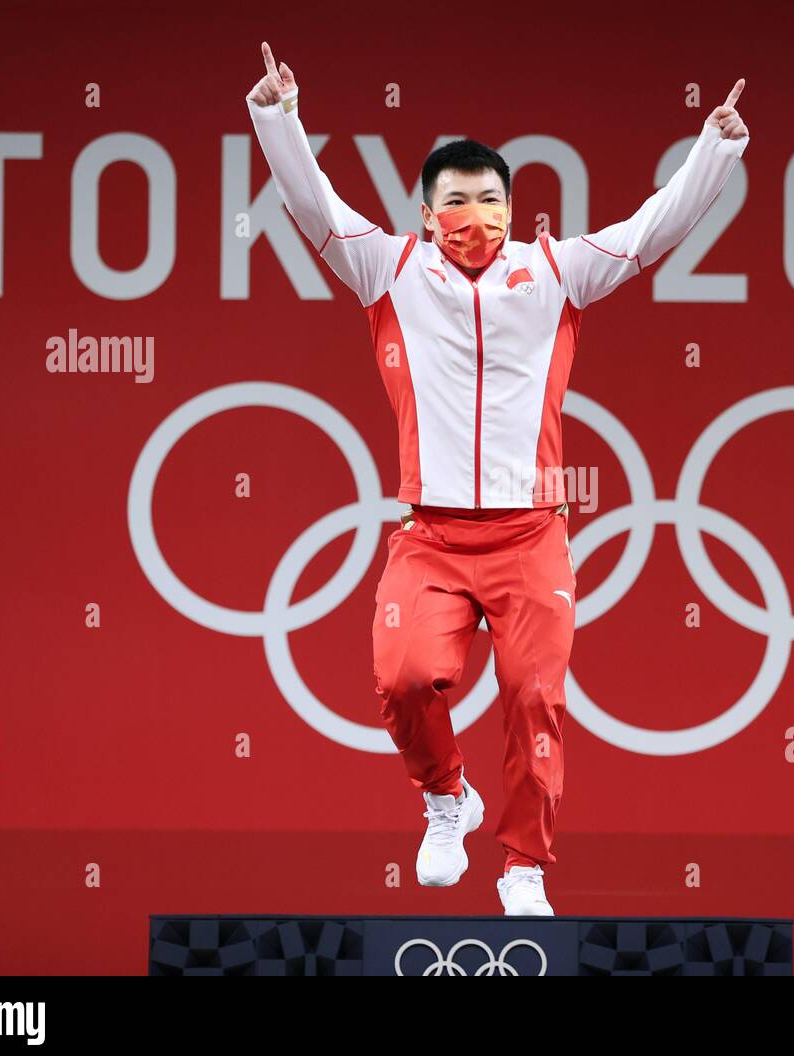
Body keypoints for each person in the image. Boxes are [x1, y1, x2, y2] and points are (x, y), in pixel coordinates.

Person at [246, 41, 749, 916]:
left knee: (533, 701)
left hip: (531, 534)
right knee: (401, 677)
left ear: (513, 208)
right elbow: (311, 203)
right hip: (431, 533)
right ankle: (447, 796)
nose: (473, 215)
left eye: (488, 200)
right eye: (456, 201)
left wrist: (714, 149)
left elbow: (651, 231)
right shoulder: (389, 268)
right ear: (425, 208)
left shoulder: (556, 271)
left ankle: (523, 867)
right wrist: (279, 119)